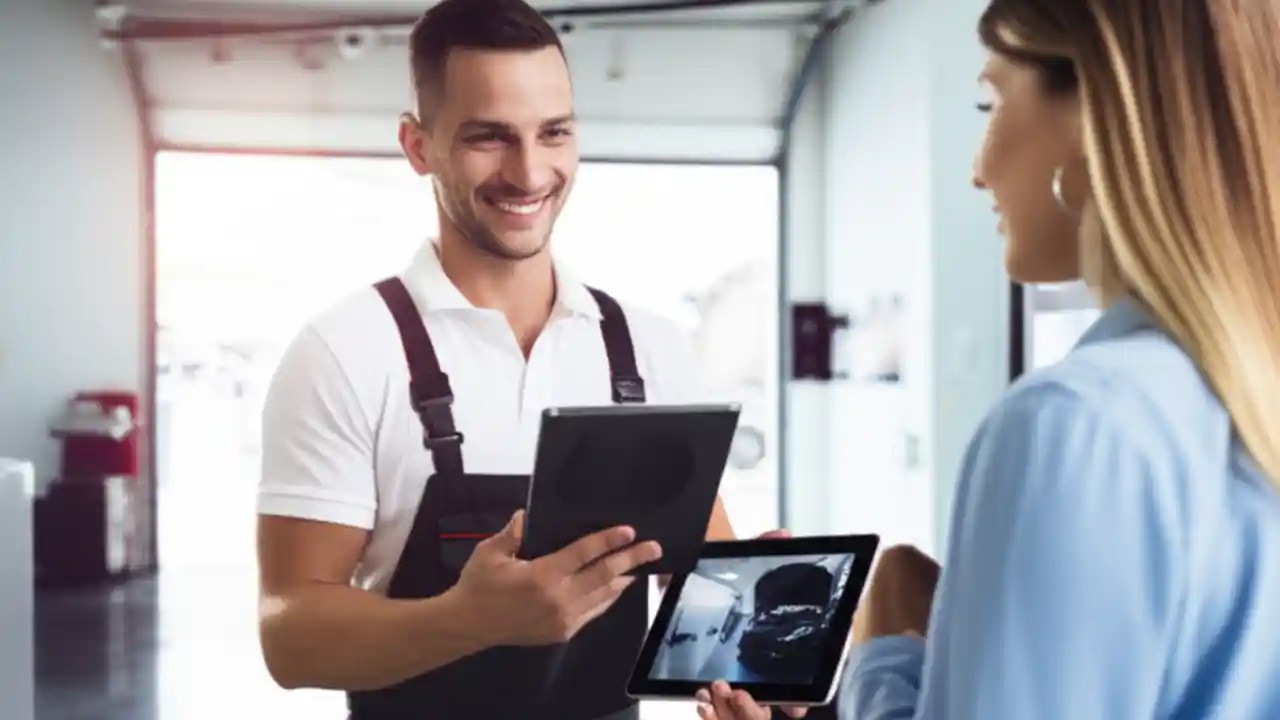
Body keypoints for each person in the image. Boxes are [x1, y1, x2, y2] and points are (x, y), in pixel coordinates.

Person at [701, 0, 1280, 718]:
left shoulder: (1074, 423)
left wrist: (888, 652)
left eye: (991, 100)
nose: (977, 170)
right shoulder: (1242, 403)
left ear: (1096, 114)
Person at [253, 1, 740, 718]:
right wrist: (473, 619)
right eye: (489, 137)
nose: (529, 171)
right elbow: (290, 637)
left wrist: (755, 644)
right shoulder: (347, 351)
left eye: (554, 134)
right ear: (417, 146)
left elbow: (700, 588)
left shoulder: (647, 348)